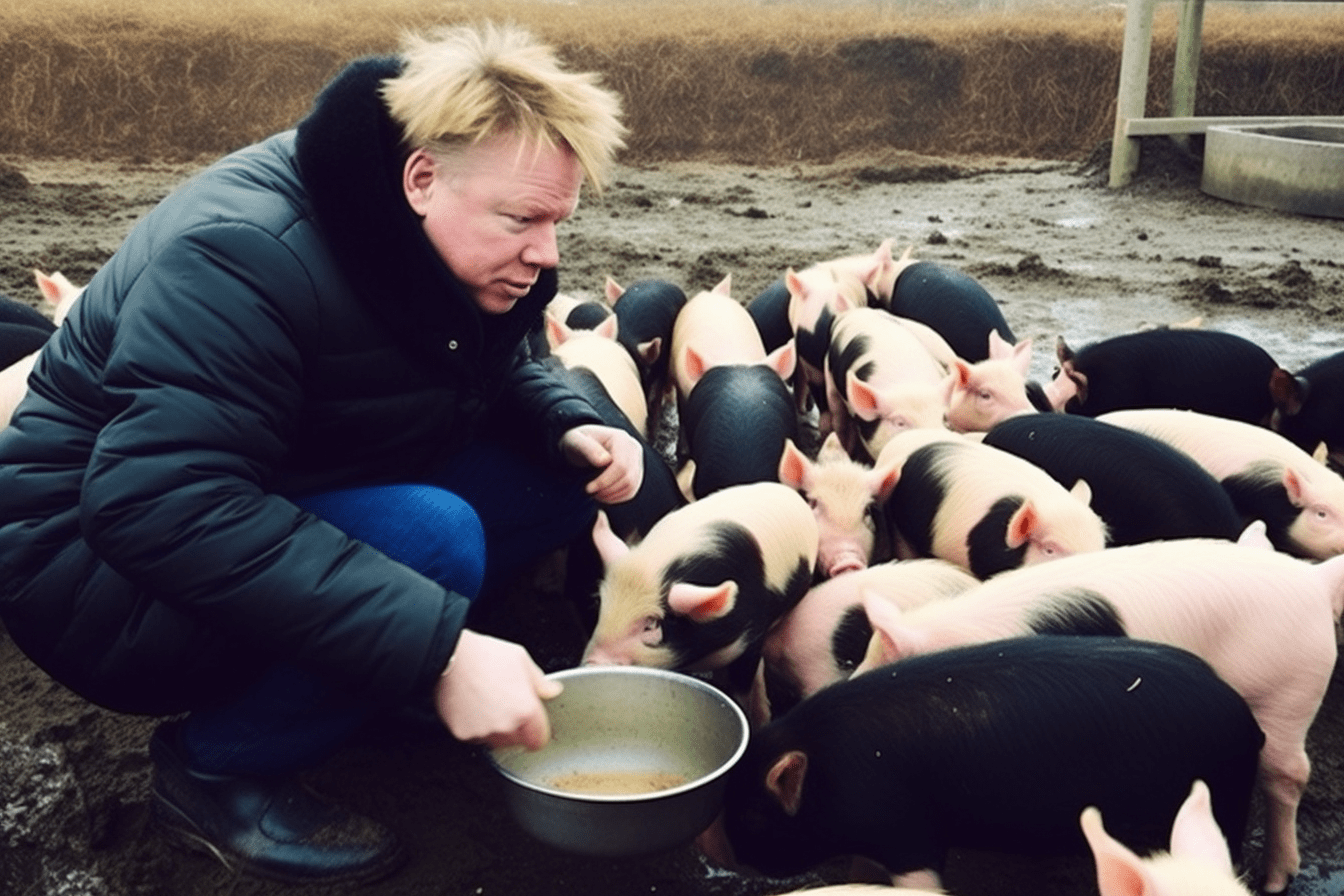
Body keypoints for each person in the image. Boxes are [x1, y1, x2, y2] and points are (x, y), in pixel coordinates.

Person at [0, 22, 641, 885]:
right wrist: (443, 648)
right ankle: (216, 768)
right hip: (89, 561)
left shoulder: (448, 234)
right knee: (433, 534)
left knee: (556, 483)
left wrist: (563, 418)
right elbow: (154, 499)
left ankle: (364, 683)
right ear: (421, 179)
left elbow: (487, 365)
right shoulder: (245, 254)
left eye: (558, 221)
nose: (548, 254)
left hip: (263, 475)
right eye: (524, 219)